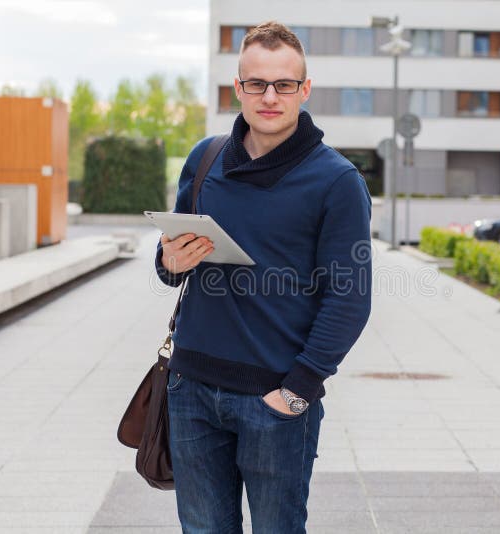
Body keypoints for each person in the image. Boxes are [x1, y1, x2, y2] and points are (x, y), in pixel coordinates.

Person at [154, 20, 372, 534]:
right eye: (257, 84)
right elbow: (168, 260)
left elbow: (350, 299)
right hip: (191, 389)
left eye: (284, 84)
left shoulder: (337, 181)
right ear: (239, 88)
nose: (269, 96)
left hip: (276, 401)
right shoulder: (204, 160)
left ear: (305, 89)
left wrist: (297, 389)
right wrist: (169, 263)